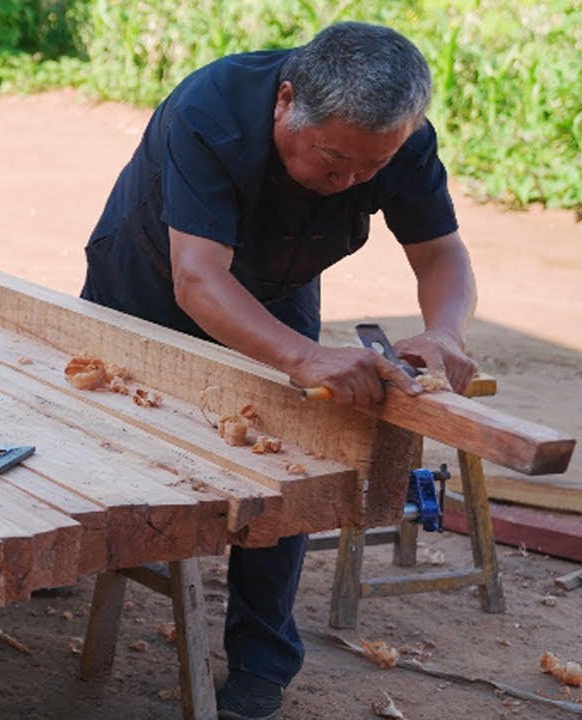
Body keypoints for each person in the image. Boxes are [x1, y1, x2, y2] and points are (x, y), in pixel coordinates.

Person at [80, 21, 479, 720]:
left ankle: (262, 662)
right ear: (285, 102)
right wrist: (304, 355)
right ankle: (73, 558)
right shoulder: (211, 110)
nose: (350, 182)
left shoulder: (396, 138)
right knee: (112, 426)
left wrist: (444, 331)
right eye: (333, 160)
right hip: (149, 275)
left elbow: (441, 254)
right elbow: (198, 279)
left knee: (290, 455)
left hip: (279, 281)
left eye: (369, 170)